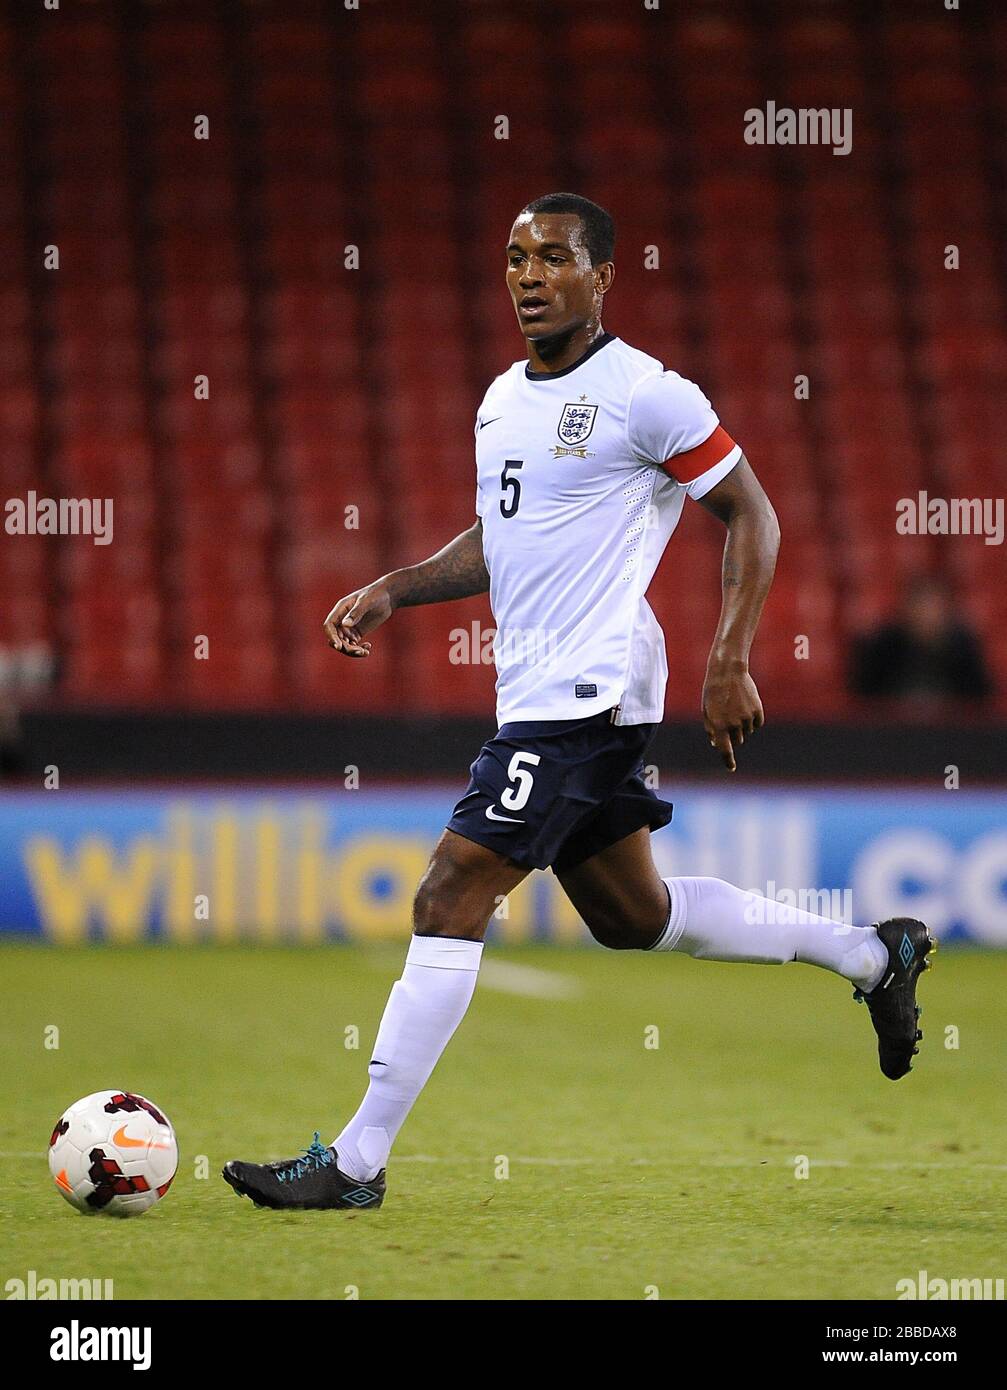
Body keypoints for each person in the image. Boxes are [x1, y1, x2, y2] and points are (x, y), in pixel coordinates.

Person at [223, 194, 934, 1211]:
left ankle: (355, 1161)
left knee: (447, 893)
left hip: (587, 691)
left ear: (601, 276)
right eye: (514, 257)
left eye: (551, 258)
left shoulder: (648, 394)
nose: (526, 275)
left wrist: (728, 658)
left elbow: (751, 513)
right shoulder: (498, 401)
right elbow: (500, 537)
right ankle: (872, 954)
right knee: (630, 915)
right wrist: (395, 585)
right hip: (544, 690)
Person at [851, 574, 993, 705]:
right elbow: (865, 698)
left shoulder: (963, 649)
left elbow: (979, 700)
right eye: (921, 606)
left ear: (947, 610)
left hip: (953, 731)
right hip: (890, 730)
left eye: (934, 607)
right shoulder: (883, 647)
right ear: (907, 609)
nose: (927, 615)